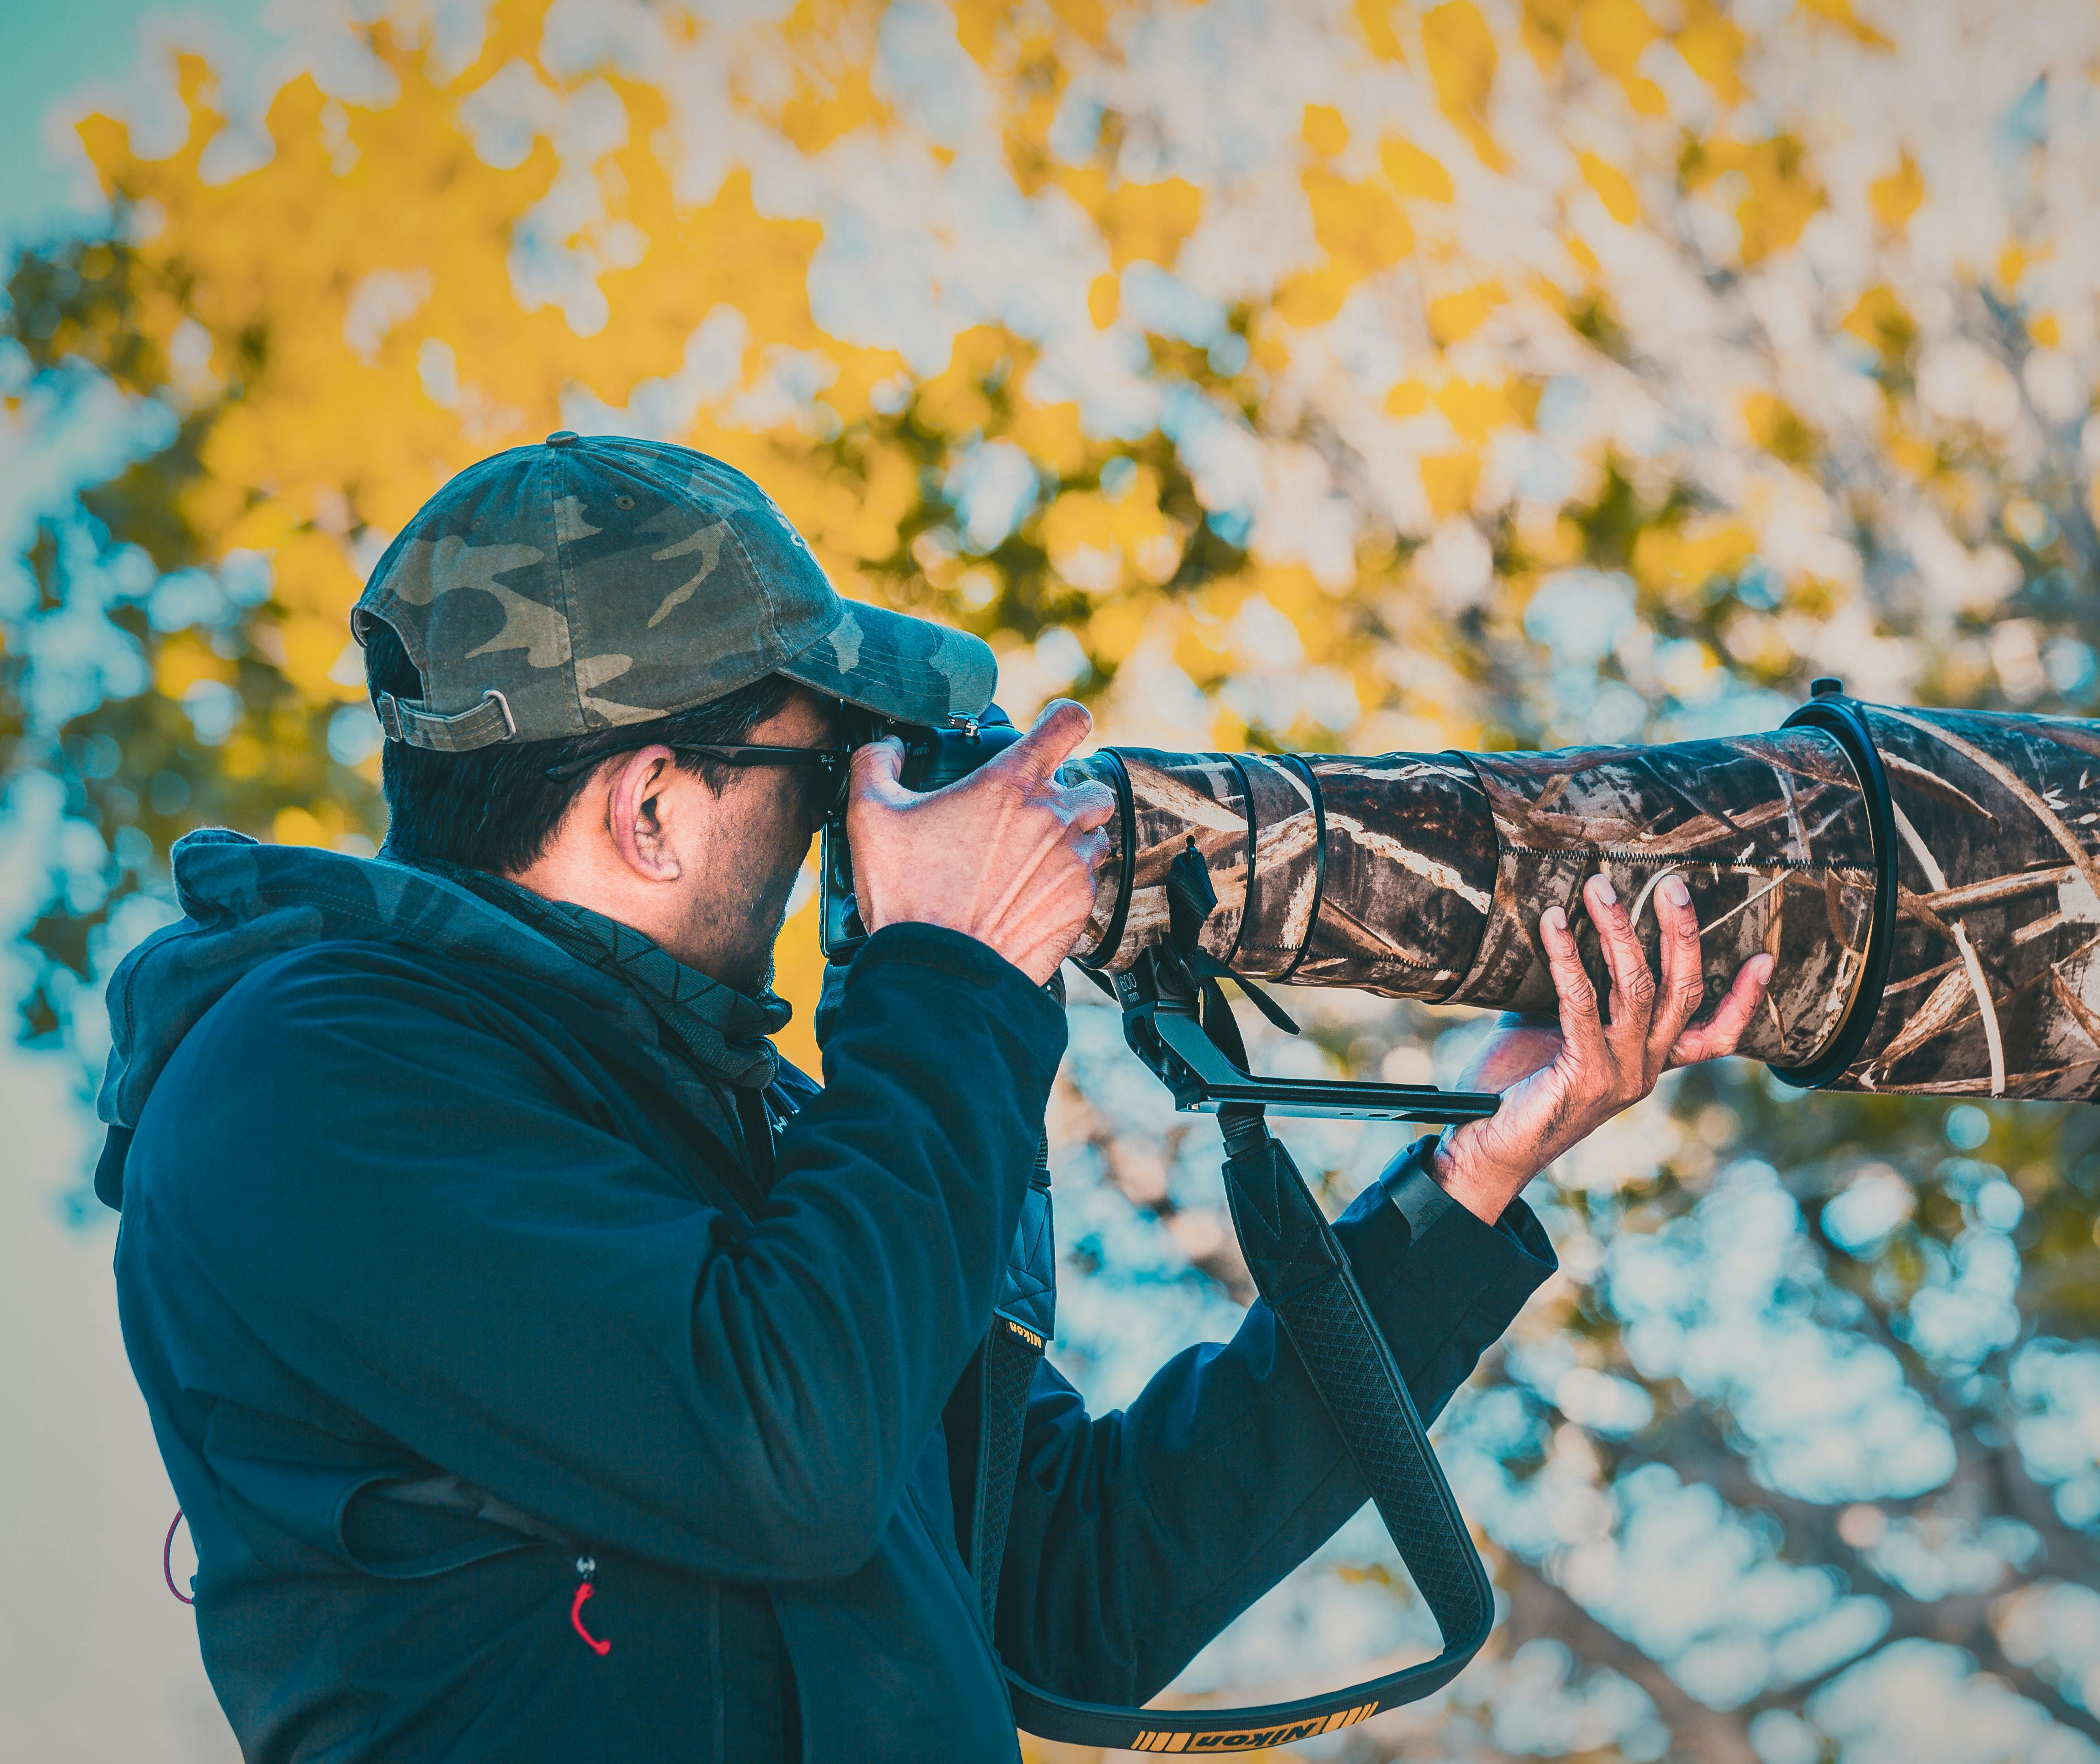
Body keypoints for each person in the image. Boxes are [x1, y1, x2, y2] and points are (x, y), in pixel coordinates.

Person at [95, 432, 1772, 1764]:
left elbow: (1076, 1592)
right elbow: (780, 1453)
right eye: (820, 767)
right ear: (653, 810)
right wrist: (953, 977)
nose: (850, 823)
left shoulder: (754, 1140)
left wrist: (1462, 1185)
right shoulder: (307, 1083)